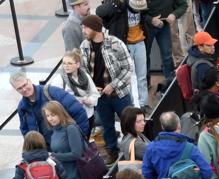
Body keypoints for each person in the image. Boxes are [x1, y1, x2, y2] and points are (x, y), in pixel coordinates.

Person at [79, 14, 135, 157]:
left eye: (86, 27)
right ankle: (112, 152)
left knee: (128, 124)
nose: (83, 31)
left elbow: (128, 68)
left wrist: (113, 85)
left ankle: (132, 150)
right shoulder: (84, 46)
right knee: (107, 126)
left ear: (95, 28)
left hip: (120, 95)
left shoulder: (115, 43)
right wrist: (91, 86)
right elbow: (83, 71)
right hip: (100, 97)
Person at [141, 112, 214, 179]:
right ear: (179, 125)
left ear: (162, 126)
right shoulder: (190, 148)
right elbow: (207, 173)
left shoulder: (151, 148)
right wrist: (196, 176)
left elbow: (146, 173)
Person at [43, 100, 94, 179]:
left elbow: (77, 154)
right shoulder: (55, 131)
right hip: (68, 176)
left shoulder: (70, 128)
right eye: (48, 116)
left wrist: (55, 156)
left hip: (79, 175)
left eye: (53, 115)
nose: (50, 119)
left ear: (60, 113)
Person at [12, 72, 91, 140]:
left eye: (25, 85)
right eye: (19, 88)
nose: (24, 89)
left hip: (67, 145)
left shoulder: (51, 92)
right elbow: (25, 130)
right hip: (46, 150)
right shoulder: (22, 107)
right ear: (16, 90)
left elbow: (78, 111)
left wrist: (80, 137)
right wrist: (34, 147)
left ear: (29, 81)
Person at [56, 50, 99, 125]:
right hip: (71, 118)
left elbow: (95, 94)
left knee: (87, 136)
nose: (66, 66)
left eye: (69, 63)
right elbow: (55, 100)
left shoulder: (85, 76)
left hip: (87, 115)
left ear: (78, 64)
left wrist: (90, 100)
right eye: (64, 63)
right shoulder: (59, 79)